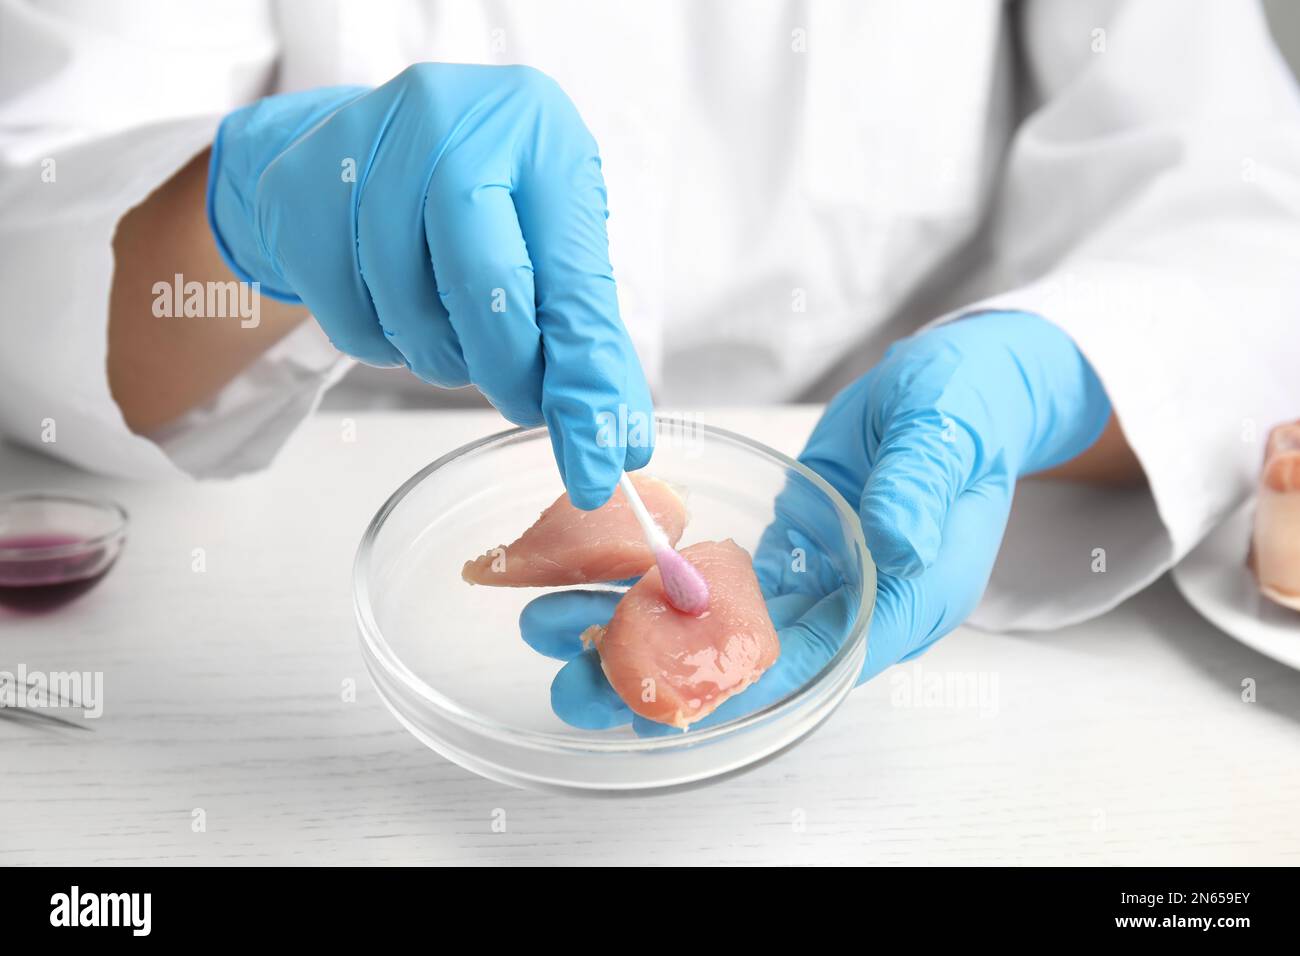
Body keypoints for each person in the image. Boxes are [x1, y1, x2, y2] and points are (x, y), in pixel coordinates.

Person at [2, 1, 1298, 723]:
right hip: (288, 587)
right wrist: (251, 210)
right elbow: (32, 217)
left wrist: (1046, 371)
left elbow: (1234, 189)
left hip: (908, 596)